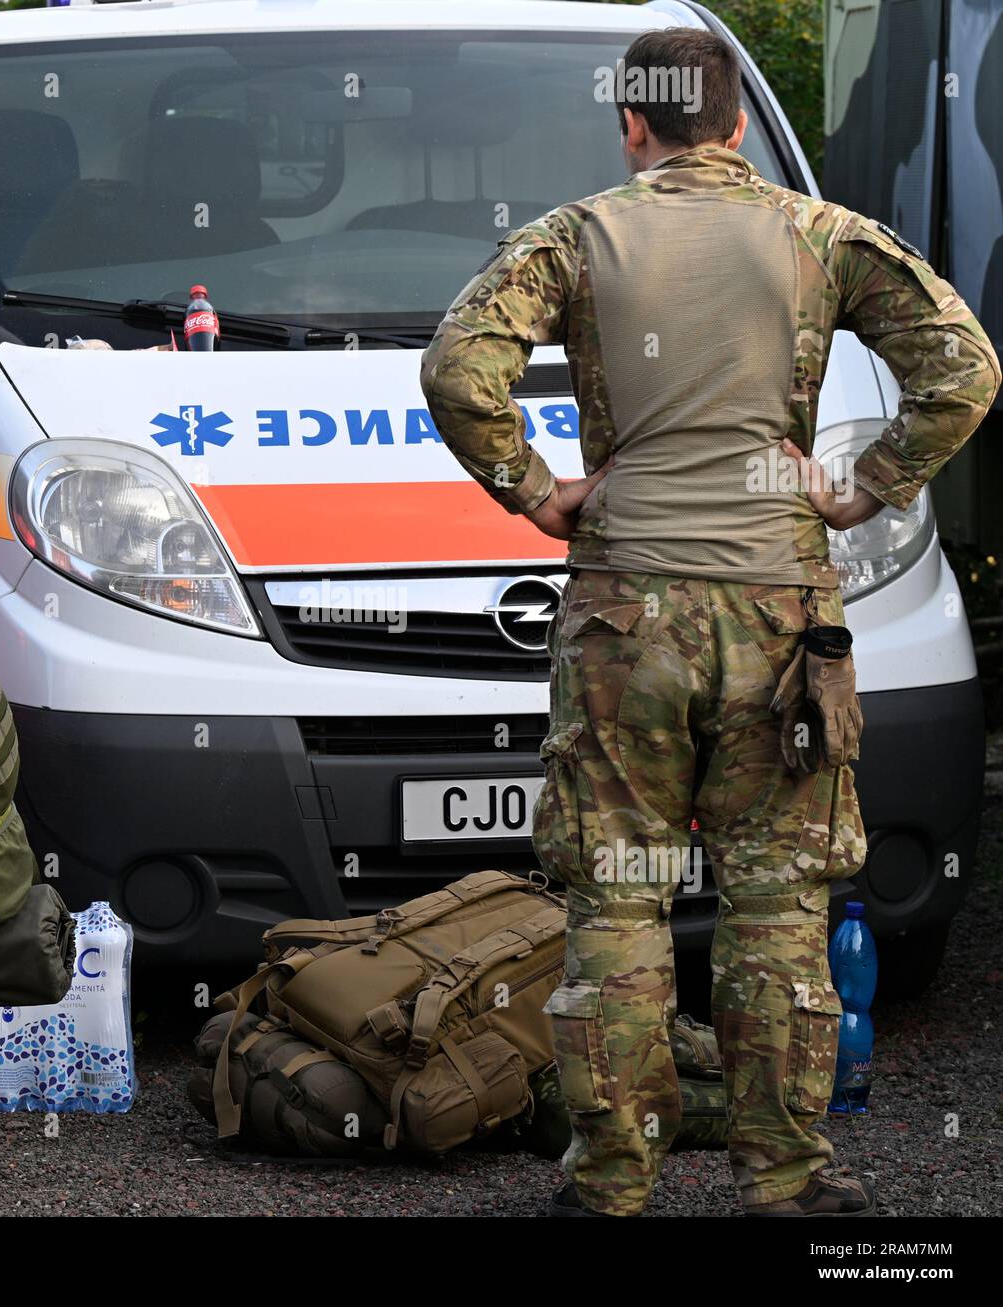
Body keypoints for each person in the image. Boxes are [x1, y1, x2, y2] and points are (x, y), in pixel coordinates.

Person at [421, 28, 998, 1217]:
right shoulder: (819, 235)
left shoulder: (574, 237)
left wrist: (538, 489)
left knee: (618, 895)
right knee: (778, 898)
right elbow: (963, 364)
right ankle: (783, 1182)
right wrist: (863, 482)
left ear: (631, 124)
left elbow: (455, 370)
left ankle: (611, 1182)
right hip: (777, 612)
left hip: (623, 609)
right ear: (735, 123)